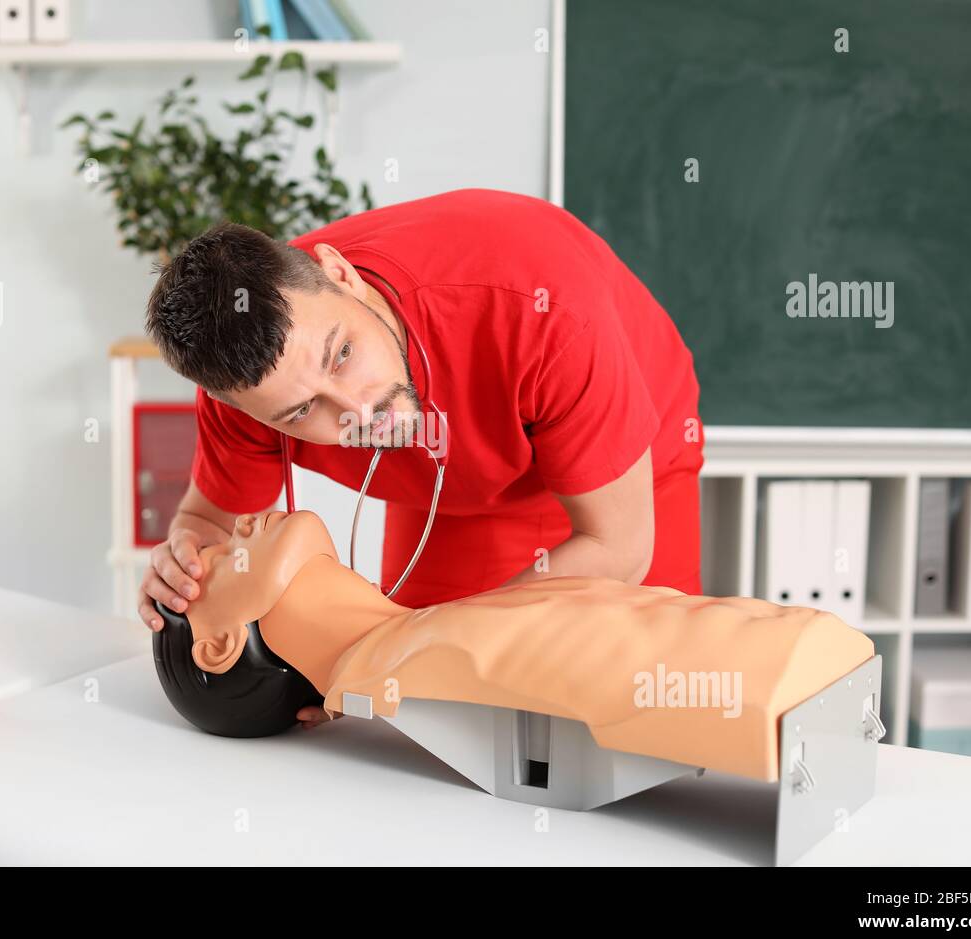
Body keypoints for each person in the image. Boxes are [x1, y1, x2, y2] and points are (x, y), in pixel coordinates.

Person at [141, 188, 704, 727]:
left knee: (641, 703)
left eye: (342, 355)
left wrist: (410, 645)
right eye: (301, 412)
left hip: (620, 478)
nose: (359, 412)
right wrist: (182, 567)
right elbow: (207, 525)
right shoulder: (247, 393)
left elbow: (617, 547)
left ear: (341, 275)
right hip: (447, 492)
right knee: (421, 713)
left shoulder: (544, 309)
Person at [156, 509, 873, 782]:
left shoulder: (440, 631)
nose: (234, 527)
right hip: (802, 674)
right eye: (209, 564)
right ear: (218, 647)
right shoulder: (431, 657)